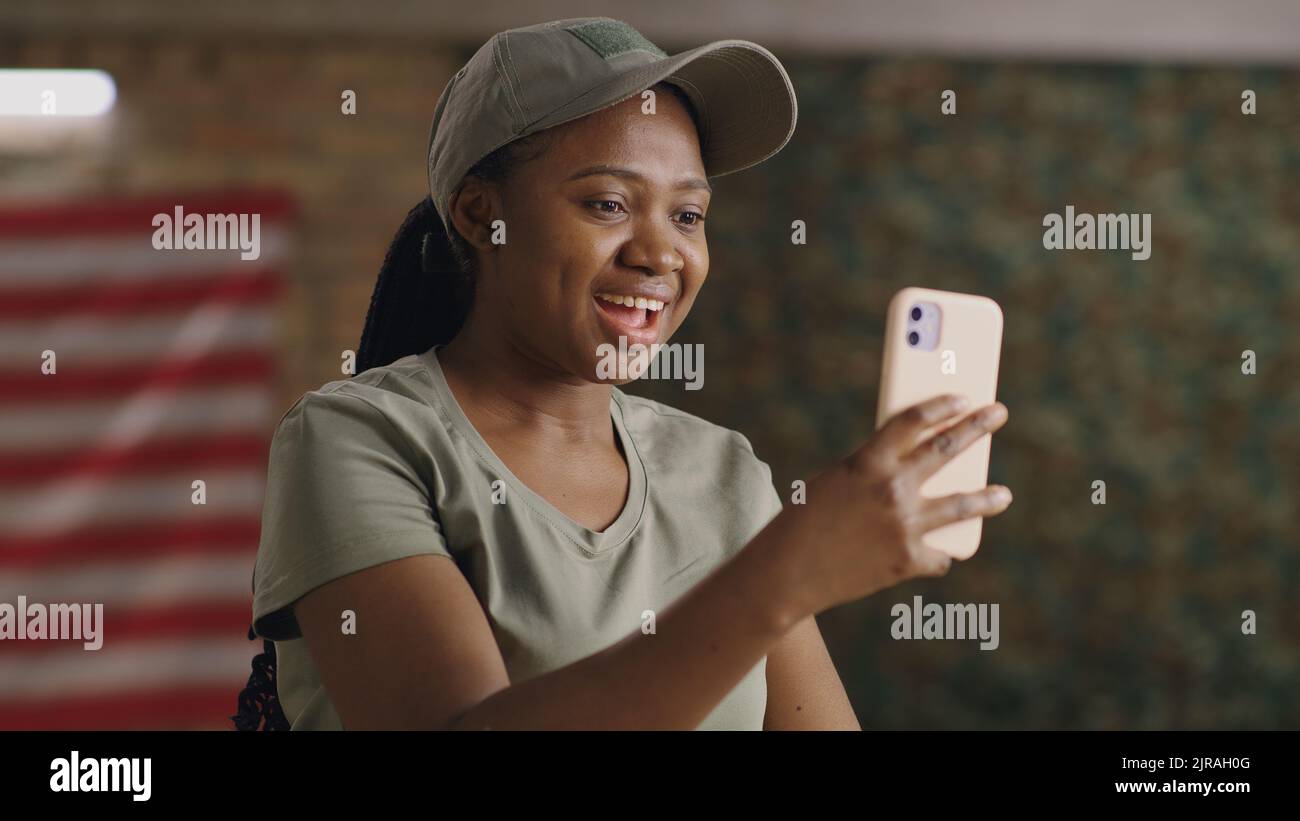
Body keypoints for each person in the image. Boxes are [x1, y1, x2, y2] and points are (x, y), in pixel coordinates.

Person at [233, 16, 1012, 731]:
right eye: (608, 203)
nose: (661, 255)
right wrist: (789, 575)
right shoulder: (355, 439)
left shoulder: (725, 474)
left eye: (687, 215)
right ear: (478, 214)